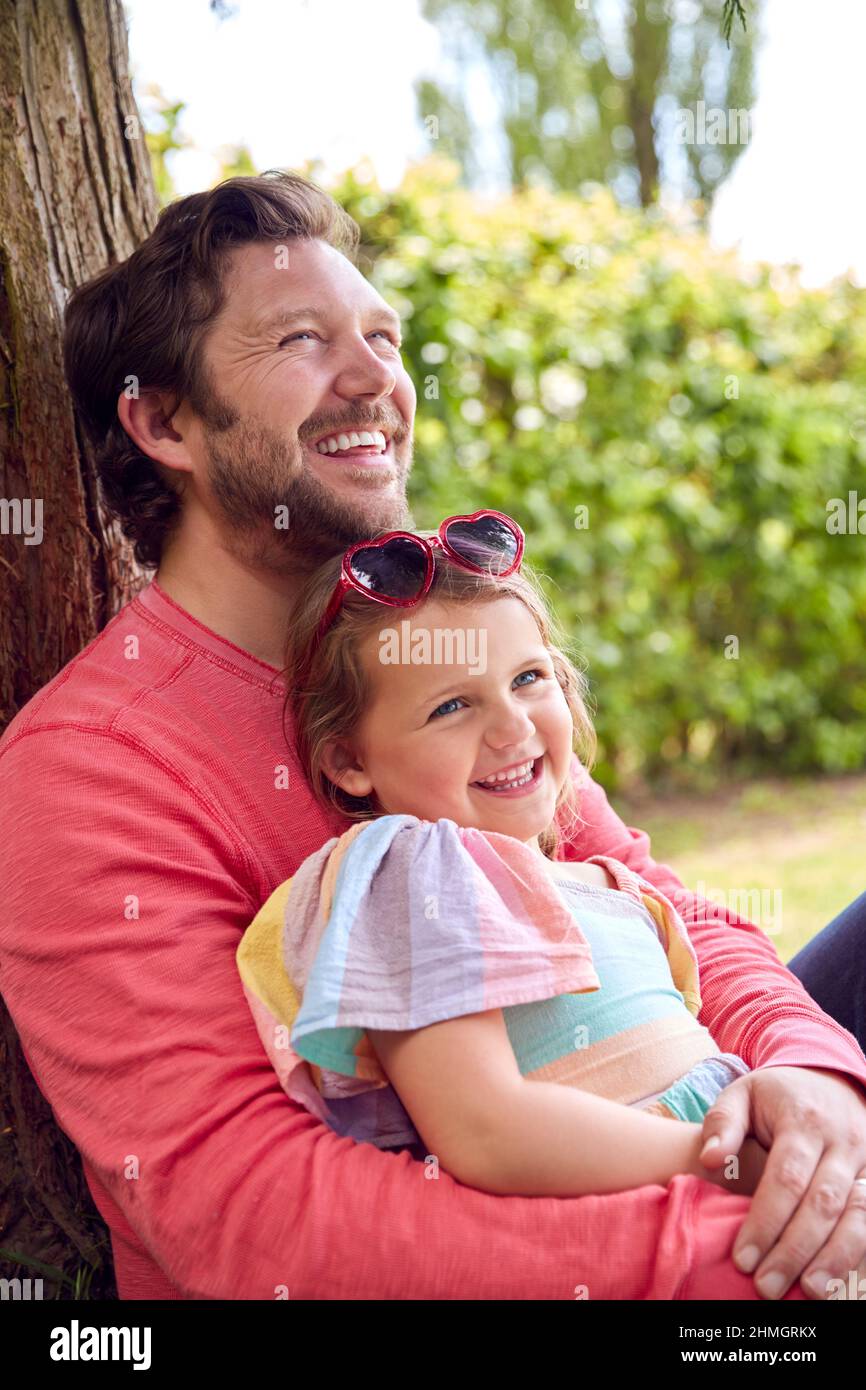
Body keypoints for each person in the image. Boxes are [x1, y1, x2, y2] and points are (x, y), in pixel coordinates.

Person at [0, 171, 865, 1302]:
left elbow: (652, 899)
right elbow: (256, 1220)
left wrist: (812, 1090)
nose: (375, 381)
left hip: (682, 1116)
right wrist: (761, 1247)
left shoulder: (430, 642)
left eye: (381, 335)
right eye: (302, 341)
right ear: (164, 421)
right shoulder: (87, 771)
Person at [237, 513, 771, 1200]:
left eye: (528, 679)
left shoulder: (609, 886)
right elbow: (487, 1130)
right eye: (452, 705)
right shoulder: (416, 873)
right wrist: (734, 1161)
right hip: (675, 1196)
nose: (512, 727)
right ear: (349, 761)